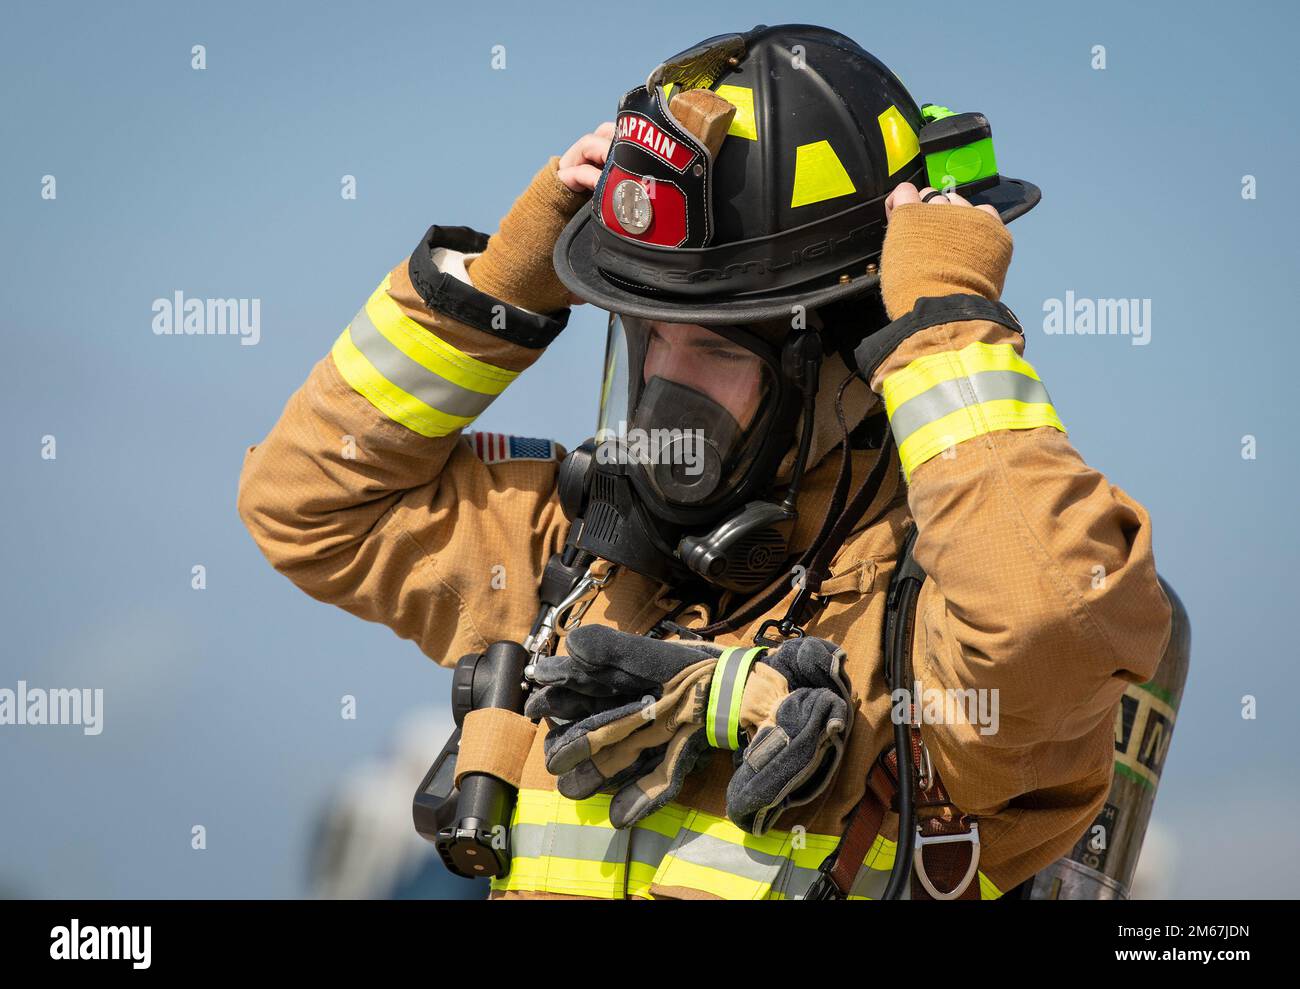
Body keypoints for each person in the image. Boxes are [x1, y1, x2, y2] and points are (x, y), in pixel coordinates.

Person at [238, 24, 1172, 900]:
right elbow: (306, 501)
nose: (661, 389)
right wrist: (503, 283)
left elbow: (1050, 619)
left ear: (852, 363)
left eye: (720, 350)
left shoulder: (934, 624)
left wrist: (943, 330)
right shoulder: (576, 559)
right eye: (649, 337)